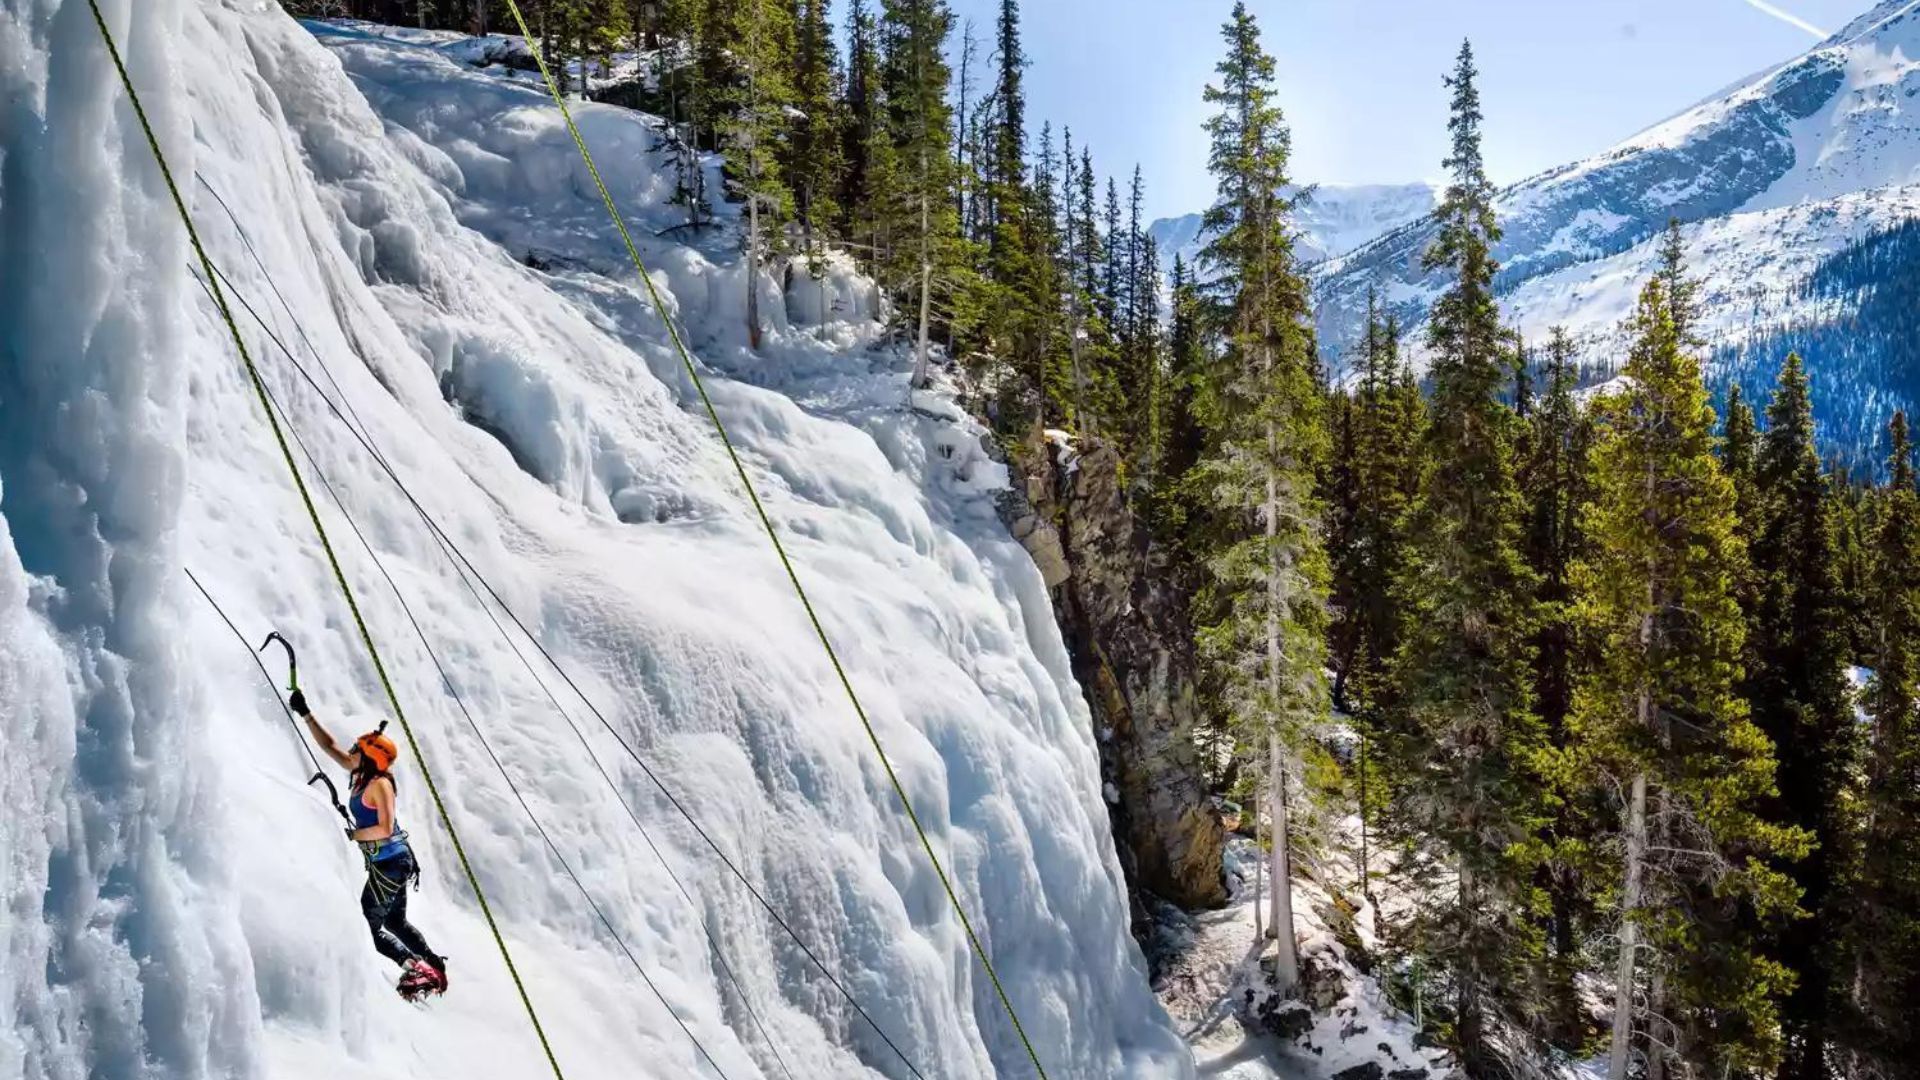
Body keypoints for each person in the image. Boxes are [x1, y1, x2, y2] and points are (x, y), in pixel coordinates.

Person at [292, 688, 449, 1000]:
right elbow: (331, 747)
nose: (353, 751)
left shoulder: (379, 785)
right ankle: (434, 969)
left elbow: (385, 827)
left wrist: (354, 836)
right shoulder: (364, 774)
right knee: (395, 921)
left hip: (391, 863)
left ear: (370, 757)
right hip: (393, 862)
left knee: (370, 923)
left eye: (359, 749)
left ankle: (416, 967)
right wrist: (306, 713)